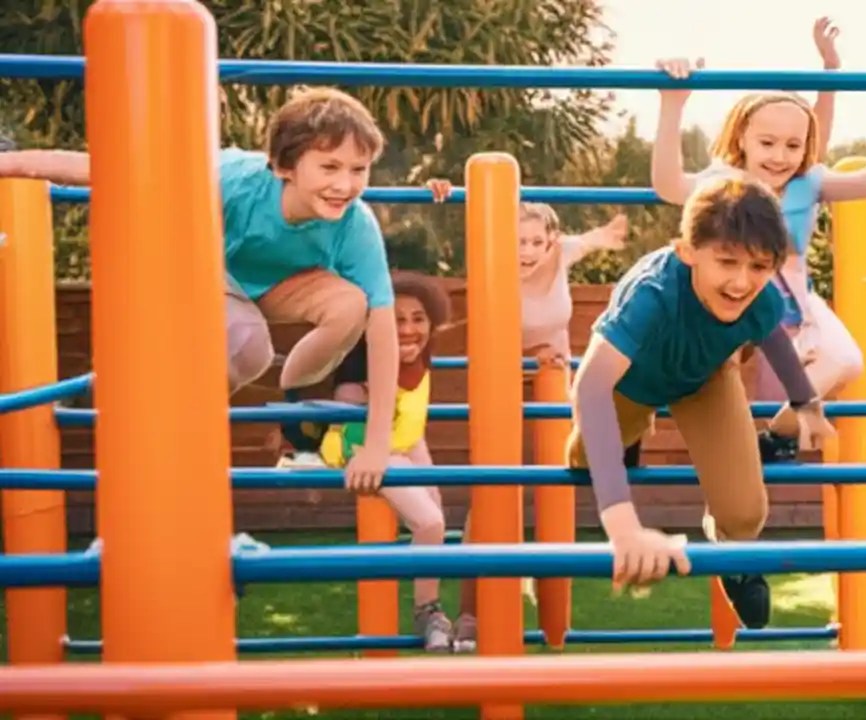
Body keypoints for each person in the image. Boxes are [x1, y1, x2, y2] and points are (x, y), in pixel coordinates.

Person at [0, 87, 399, 488]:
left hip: (272, 286)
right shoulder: (232, 181)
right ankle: (153, 414)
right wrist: (9, 162)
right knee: (249, 343)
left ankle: (293, 384)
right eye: (329, 167)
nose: (344, 184)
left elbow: (383, 327)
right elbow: (105, 169)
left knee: (353, 304)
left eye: (358, 169)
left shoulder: (355, 224)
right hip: (193, 271)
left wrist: (377, 444)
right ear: (284, 167)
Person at [570, 175, 836, 629]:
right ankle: (631, 436)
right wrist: (622, 523)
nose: (741, 282)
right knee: (583, 461)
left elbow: (773, 337)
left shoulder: (760, 297)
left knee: (746, 513)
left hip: (705, 377)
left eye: (759, 266)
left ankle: (733, 559)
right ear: (687, 252)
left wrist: (806, 403)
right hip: (631, 383)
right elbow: (591, 387)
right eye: (727, 262)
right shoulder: (652, 295)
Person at [649, 44, 866, 461]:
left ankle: (777, 433)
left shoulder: (808, 183)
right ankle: (642, 422)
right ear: (742, 138)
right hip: (725, 293)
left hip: (789, 299)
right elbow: (669, 185)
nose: (780, 157)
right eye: (767, 143)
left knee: (846, 359)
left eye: (793, 145)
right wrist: (672, 103)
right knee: (705, 373)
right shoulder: (725, 180)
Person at [286, 270, 459, 651]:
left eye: (418, 319)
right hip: (367, 448)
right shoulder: (362, 367)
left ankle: (433, 606)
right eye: (397, 320)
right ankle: (428, 612)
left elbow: (409, 409)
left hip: (407, 440)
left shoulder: (419, 355)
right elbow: (347, 420)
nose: (408, 329)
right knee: (429, 522)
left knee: (437, 512)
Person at [423, 179, 643, 464]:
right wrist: (440, 191)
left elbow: (596, 237)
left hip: (553, 363)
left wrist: (621, 221)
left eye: (537, 242)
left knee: (562, 419)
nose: (527, 252)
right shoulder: (494, 260)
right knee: (497, 435)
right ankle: (495, 489)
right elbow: (450, 228)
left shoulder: (560, 252)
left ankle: (577, 472)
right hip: (502, 363)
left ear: (551, 241)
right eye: (520, 242)